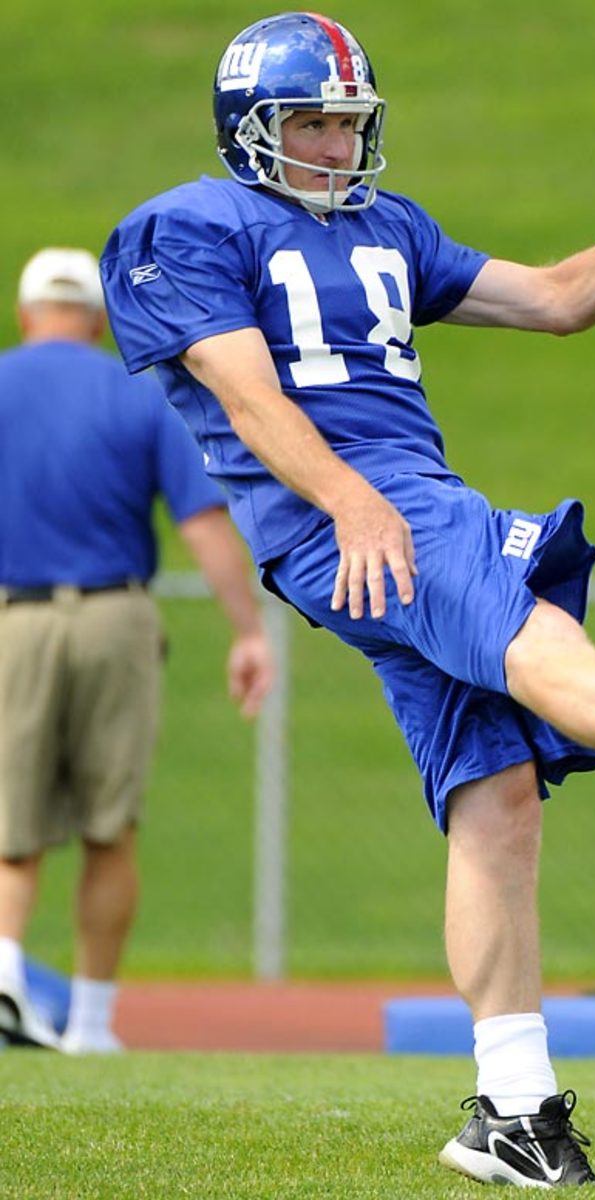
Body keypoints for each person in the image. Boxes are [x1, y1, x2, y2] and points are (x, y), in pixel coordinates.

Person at [100, 11, 595, 1186]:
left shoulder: (388, 226)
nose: (335, 144)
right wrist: (354, 501)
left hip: (378, 516)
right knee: (536, 636)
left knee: (498, 795)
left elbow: (554, 299)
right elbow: (246, 390)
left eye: (348, 122)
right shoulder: (186, 226)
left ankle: (513, 1116)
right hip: (369, 511)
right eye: (313, 123)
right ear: (250, 129)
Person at [0, 247, 275, 1055]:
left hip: (12, 620)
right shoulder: (138, 389)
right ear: (96, 317)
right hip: (117, 619)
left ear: (24, 313)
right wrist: (248, 631)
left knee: (8, 827)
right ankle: (89, 1024)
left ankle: (6, 976)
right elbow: (201, 521)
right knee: (109, 827)